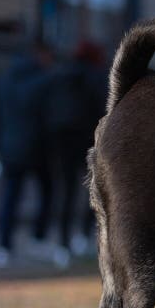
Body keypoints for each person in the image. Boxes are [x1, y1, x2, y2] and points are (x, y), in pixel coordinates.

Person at [0, 41, 54, 268]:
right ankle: (37, 238)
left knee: (10, 197)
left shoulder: (5, 81)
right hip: (36, 148)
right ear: (41, 55)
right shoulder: (43, 80)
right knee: (47, 191)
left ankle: (3, 247)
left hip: (9, 149)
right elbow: (47, 117)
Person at [46, 40, 106, 268]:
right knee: (93, 187)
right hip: (85, 137)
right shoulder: (95, 74)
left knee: (66, 191)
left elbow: (49, 107)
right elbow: (102, 105)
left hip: (60, 139)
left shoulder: (58, 74)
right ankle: (83, 237)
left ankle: (62, 245)